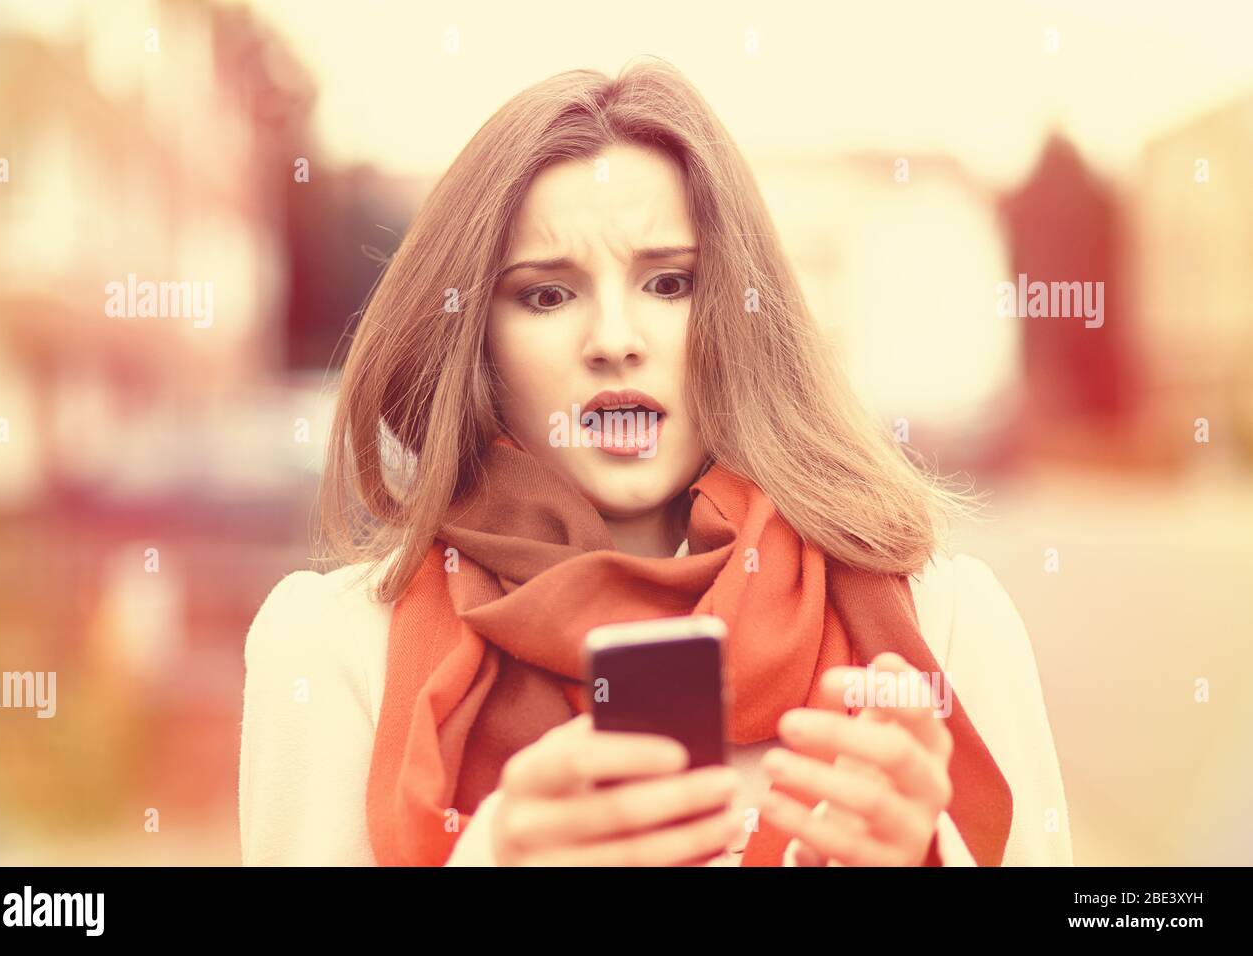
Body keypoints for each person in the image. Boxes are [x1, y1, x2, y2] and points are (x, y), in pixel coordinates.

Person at [239, 59, 1072, 867]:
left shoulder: (949, 623)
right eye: (546, 293)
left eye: (669, 284)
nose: (614, 340)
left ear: (742, 318)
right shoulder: (333, 646)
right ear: (478, 342)